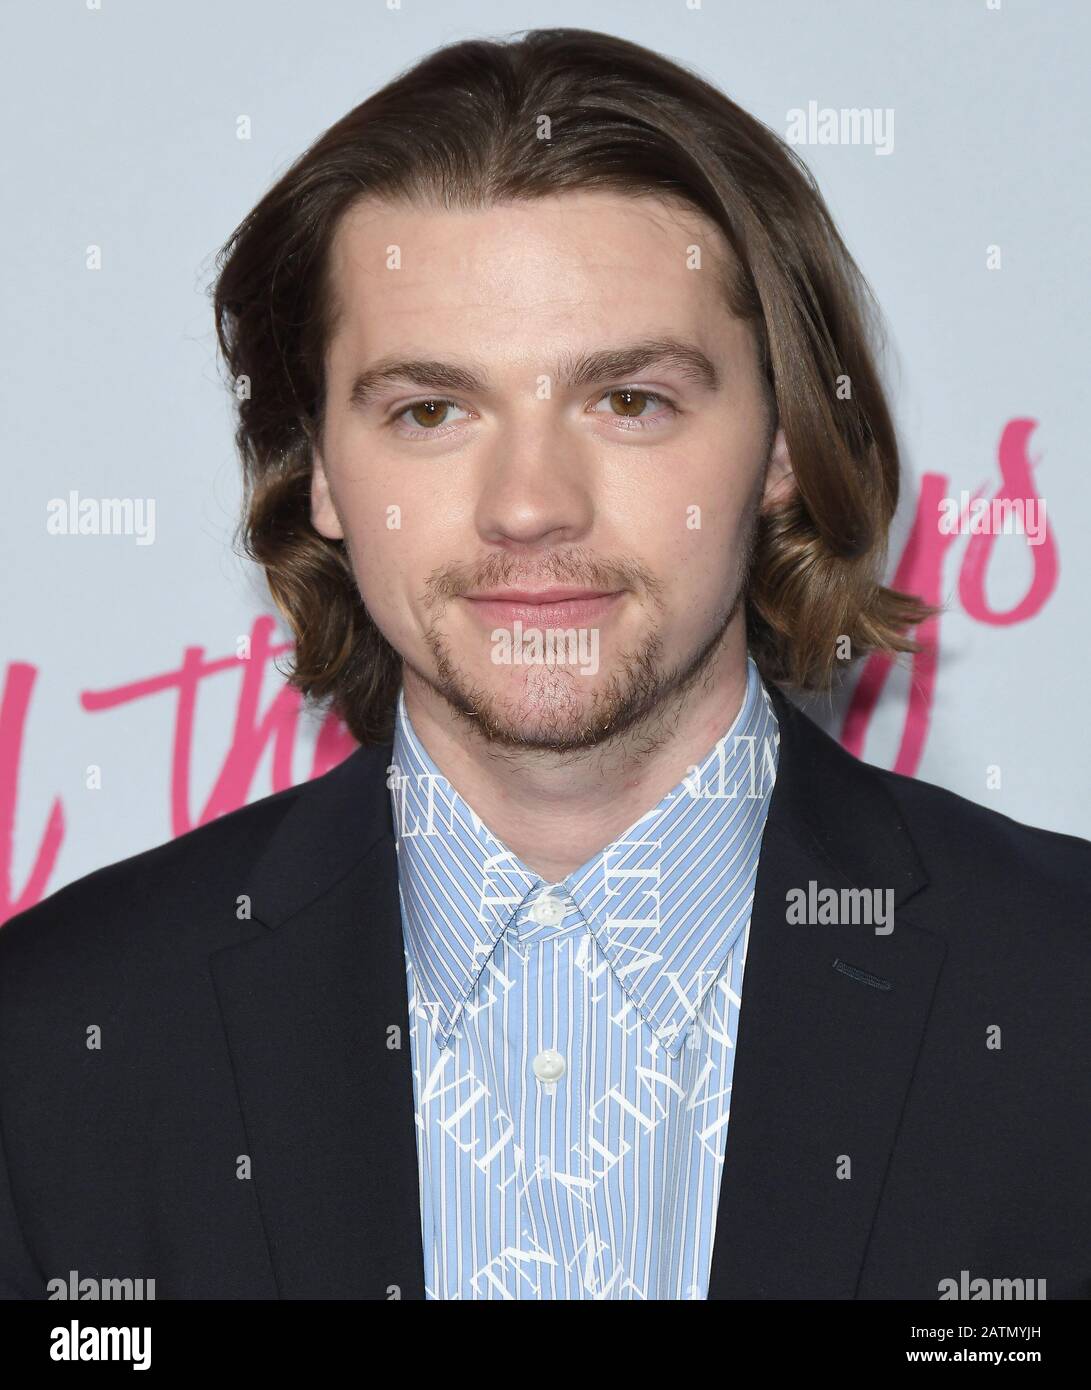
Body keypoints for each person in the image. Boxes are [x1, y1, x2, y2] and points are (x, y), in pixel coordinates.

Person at [1, 27, 1088, 1302]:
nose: (528, 506)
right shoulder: (60, 1039)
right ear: (321, 474)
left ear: (784, 442)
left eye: (627, 400)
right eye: (429, 410)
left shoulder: (1057, 992)